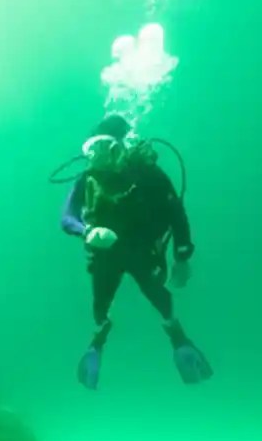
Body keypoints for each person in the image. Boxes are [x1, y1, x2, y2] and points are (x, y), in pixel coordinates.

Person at [59, 114, 213, 389]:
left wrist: (182, 257)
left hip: (143, 253)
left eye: (107, 147)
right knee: (101, 306)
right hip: (106, 256)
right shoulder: (88, 179)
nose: (100, 157)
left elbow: (176, 213)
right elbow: (67, 218)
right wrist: (87, 232)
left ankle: (178, 338)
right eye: (93, 149)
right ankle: (98, 340)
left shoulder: (149, 174)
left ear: (123, 147)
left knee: (158, 297)